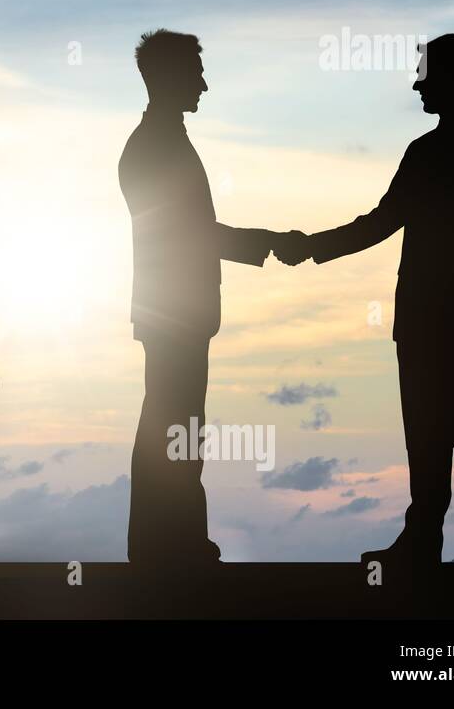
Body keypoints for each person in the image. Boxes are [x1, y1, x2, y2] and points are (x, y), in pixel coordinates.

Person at [275, 34, 454, 574]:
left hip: (440, 325)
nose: (416, 83)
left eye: (425, 74)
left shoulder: (441, 153)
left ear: (453, 78)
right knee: (445, 433)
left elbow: (384, 224)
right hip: (444, 326)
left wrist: (310, 247)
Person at [119, 28, 303, 568]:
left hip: (174, 310)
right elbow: (191, 232)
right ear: (171, 77)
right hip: (172, 310)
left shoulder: (161, 141)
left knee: (173, 424)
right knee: (175, 427)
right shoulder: (156, 146)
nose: (204, 83)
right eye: (196, 72)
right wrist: (269, 242)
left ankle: (167, 544)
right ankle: (170, 548)